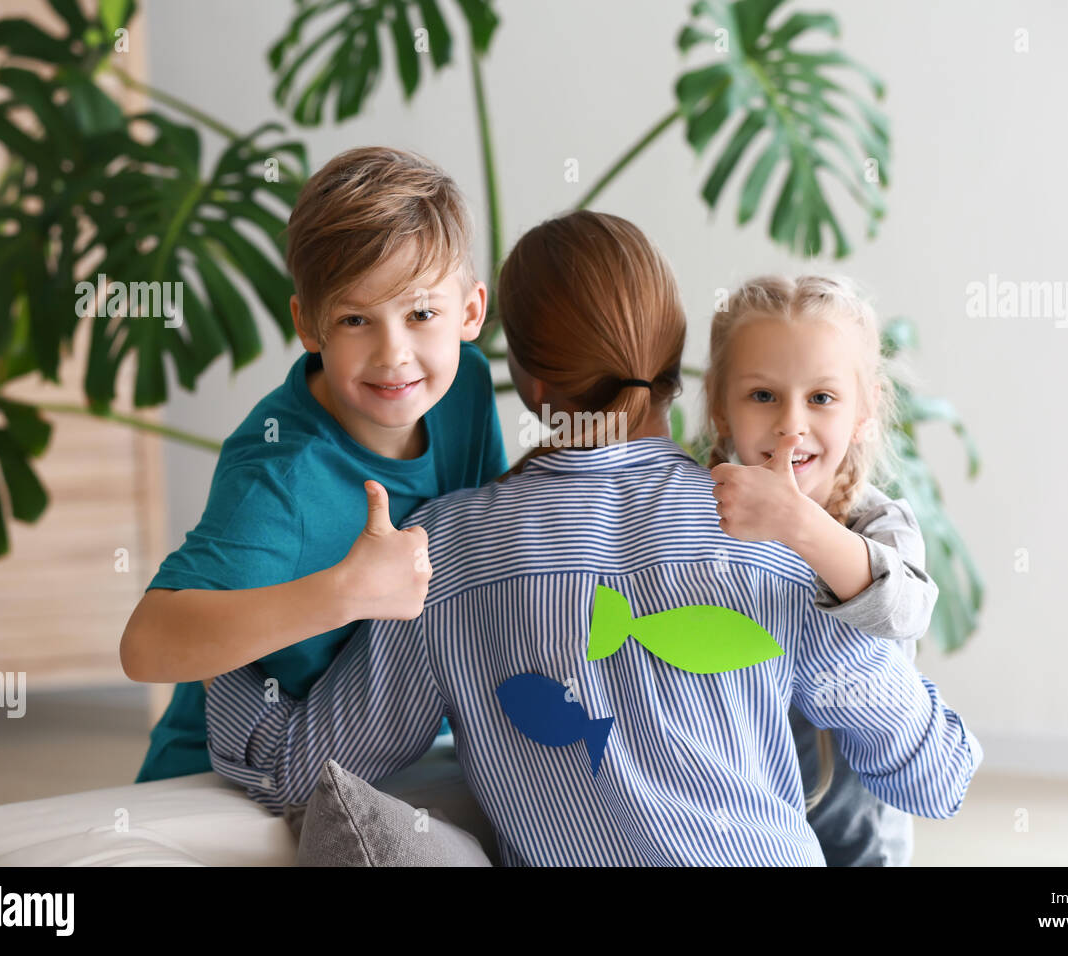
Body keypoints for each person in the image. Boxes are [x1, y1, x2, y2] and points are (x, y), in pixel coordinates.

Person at [203, 209, 982, 865]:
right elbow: (935, 779)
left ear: (532, 384)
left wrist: (223, 629)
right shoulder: (776, 532)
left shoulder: (441, 554)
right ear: (677, 365)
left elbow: (292, 770)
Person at [120, 146, 508, 781]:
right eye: (356, 319)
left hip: (378, 752)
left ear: (469, 312)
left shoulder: (465, 386)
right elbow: (145, 645)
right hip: (226, 779)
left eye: (421, 314)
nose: (394, 354)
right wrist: (344, 592)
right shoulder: (279, 475)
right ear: (308, 324)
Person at [704, 274, 939, 865]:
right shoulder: (703, 516)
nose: (791, 424)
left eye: (822, 398)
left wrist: (799, 525)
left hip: (859, 835)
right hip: (747, 819)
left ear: (865, 410)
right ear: (719, 407)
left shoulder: (878, 523)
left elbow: (905, 608)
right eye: (763, 396)